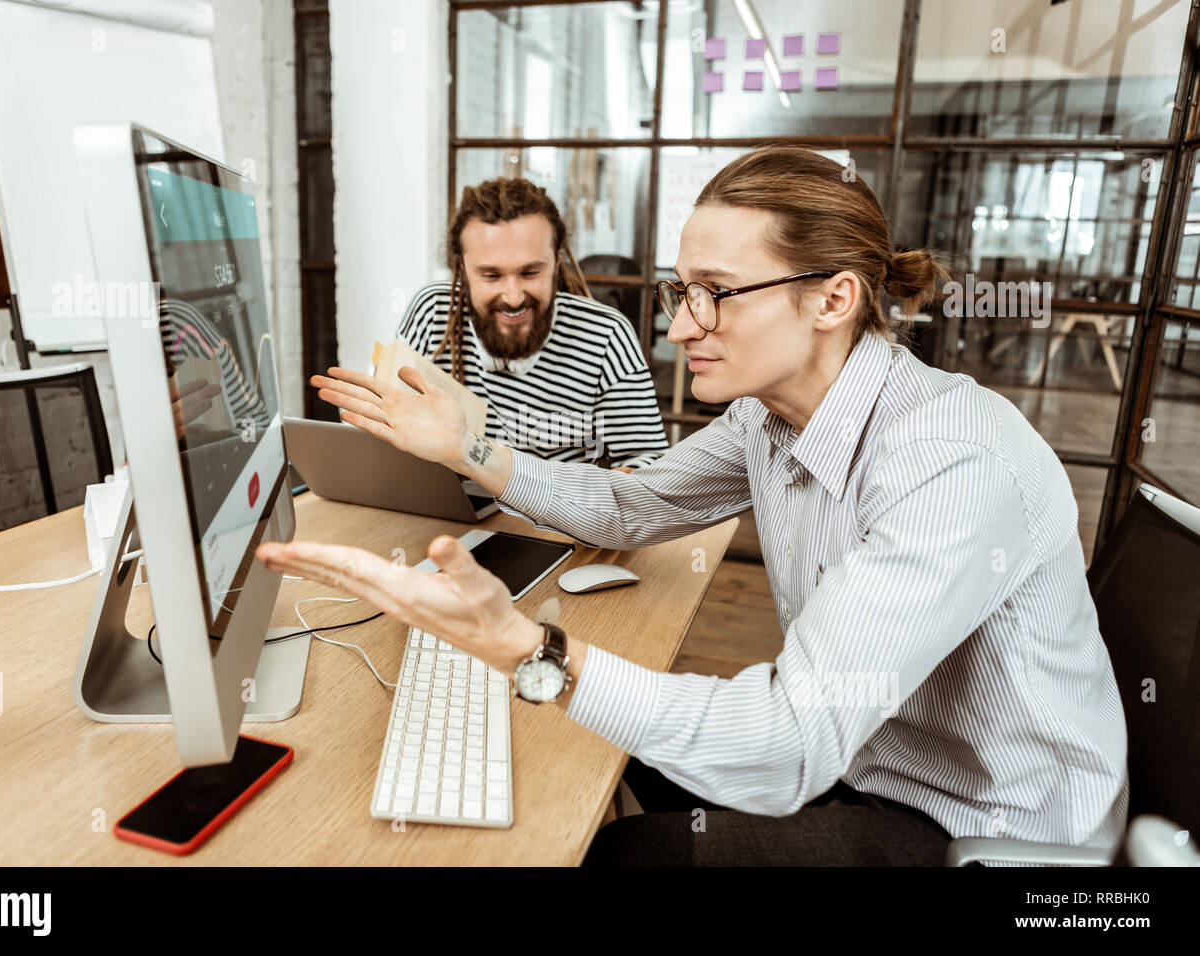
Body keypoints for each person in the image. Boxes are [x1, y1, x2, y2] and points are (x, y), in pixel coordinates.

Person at [258, 145, 1129, 866]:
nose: (679, 327)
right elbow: (633, 509)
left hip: (986, 829)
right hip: (870, 749)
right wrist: (469, 447)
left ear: (833, 298)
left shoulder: (948, 460)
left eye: (715, 292)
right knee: (584, 750)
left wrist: (531, 649)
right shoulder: (769, 418)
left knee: (625, 856)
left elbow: (788, 745)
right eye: (684, 292)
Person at [393, 177, 668, 470]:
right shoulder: (432, 312)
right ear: (462, 267)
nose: (513, 297)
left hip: (553, 514)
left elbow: (649, 465)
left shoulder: (606, 336)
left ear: (557, 258)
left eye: (530, 272)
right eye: (491, 275)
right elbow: (387, 424)